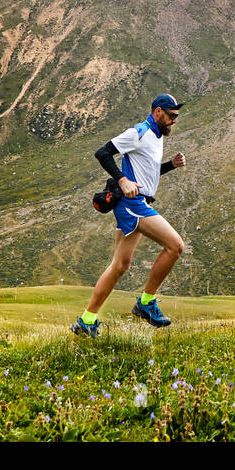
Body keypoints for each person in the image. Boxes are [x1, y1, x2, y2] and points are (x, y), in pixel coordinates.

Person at [71, 94, 187, 338]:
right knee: (175, 246)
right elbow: (102, 152)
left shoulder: (155, 136)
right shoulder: (139, 132)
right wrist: (122, 180)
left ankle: (86, 321)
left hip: (137, 202)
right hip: (133, 204)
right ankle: (145, 303)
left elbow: (147, 174)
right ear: (158, 112)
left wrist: (170, 166)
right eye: (171, 116)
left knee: (119, 265)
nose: (174, 120)